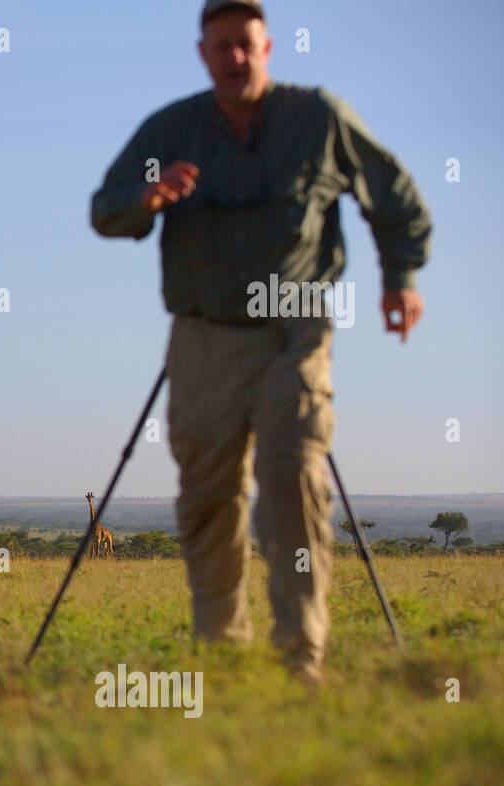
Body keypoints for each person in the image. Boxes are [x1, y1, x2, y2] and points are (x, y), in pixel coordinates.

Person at [90, 0, 431, 683]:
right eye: (221, 46)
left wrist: (402, 279)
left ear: (267, 46)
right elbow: (105, 208)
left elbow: (392, 195)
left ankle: (301, 658)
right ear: (203, 53)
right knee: (209, 496)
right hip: (204, 336)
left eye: (245, 44)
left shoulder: (319, 119)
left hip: (292, 329)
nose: (234, 57)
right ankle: (221, 652)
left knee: (290, 472)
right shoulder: (171, 127)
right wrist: (149, 198)